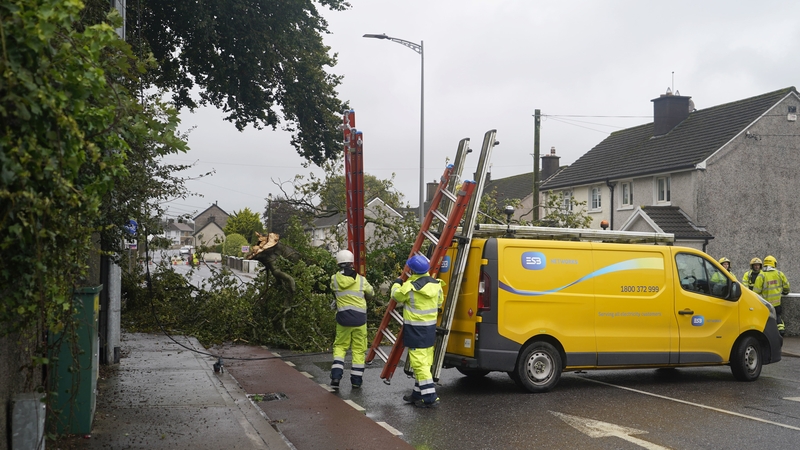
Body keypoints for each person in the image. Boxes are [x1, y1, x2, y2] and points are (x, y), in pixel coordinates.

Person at [391, 255, 445, 408]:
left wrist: (396, 284)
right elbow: (439, 302)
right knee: (426, 361)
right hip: (430, 328)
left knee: (419, 364)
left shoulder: (410, 286)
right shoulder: (436, 284)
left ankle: (430, 397)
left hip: (415, 329)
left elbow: (396, 296)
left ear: (413, 270)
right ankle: (417, 394)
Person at [329, 250, 374, 390]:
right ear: (351, 263)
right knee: (359, 350)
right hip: (360, 320)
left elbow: (335, 292)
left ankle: (336, 377)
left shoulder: (334, 279)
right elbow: (371, 293)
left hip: (343, 319)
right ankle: (356, 381)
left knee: (340, 347)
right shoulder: (361, 280)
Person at [753, 255, 790, 336]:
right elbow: (786, 286)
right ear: (774, 264)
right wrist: (785, 292)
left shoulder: (761, 275)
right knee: (778, 316)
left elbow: (756, 291)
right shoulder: (779, 274)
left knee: (767, 319)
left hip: (766, 304)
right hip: (777, 303)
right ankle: (781, 331)